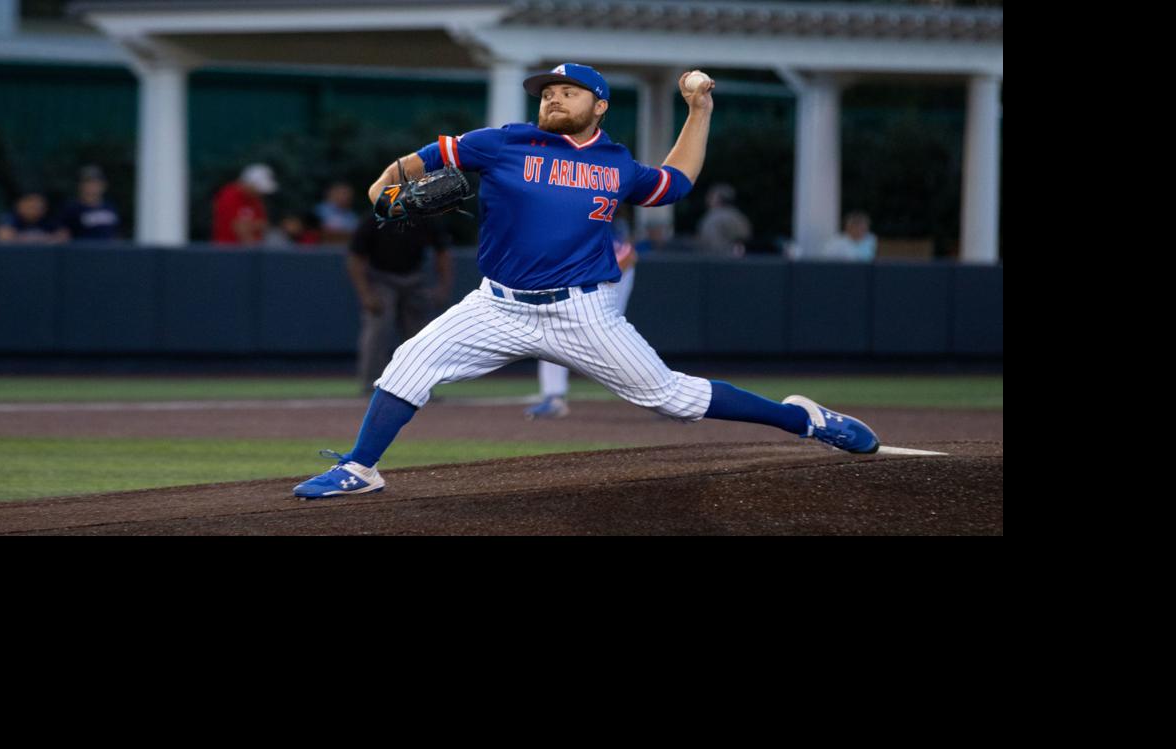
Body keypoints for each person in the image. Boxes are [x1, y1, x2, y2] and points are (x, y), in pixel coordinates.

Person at [292, 63, 880, 499]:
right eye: (546, 92)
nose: (552, 98)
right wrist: (384, 190)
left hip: (582, 312)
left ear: (597, 105)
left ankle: (805, 419)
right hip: (496, 304)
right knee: (410, 362)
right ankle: (360, 468)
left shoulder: (617, 164)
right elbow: (408, 167)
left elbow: (676, 182)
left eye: (566, 91)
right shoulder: (498, 142)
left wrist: (699, 111)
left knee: (672, 399)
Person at [526, 212, 636, 419]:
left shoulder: (581, 215)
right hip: (591, 272)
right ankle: (553, 397)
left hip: (612, 273)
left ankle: (665, 390)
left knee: (611, 337)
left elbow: (627, 255)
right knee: (551, 329)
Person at [348, 213, 453, 395]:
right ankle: (371, 385)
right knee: (377, 332)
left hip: (414, 279)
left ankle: (420, 386)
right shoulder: (374, 219)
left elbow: (442, 252)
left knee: (421, 336)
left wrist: (443, 287)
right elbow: (355, 258)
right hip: (381, 278)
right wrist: (366, 294)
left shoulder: (424, 217)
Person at [212, 163, 276, 245]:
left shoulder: (255, 200)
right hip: (228, 251)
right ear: (249, 184)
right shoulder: (228, 196)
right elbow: (239, 229)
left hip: (248, 252)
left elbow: (263, 224)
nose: (261, 193)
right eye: (258, 188)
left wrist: (251, 226)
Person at [58, 166, 122, 241]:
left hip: (108, 251)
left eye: (96, 183)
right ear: (80, 185)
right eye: (88, 182)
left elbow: (117, 234)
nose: (92, 186)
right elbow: (62, 235)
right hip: (84, 251)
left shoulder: (110, 207)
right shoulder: (72, 208)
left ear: (103, 185)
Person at [695, 182, 750, 257]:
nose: (708, 199)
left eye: (712, 196)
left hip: (718, 259)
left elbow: (711, 243)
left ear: (719, 198)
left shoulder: (714, 217)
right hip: (735, 258)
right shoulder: (737, 215)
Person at [0, 192, 65, 243]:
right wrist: (39, 239)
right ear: (20, 205)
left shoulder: (48, 219)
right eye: (31, 206)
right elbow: (4, 236)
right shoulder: (11, 217)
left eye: (38, 207)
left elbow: (63, 236)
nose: (34, 210)